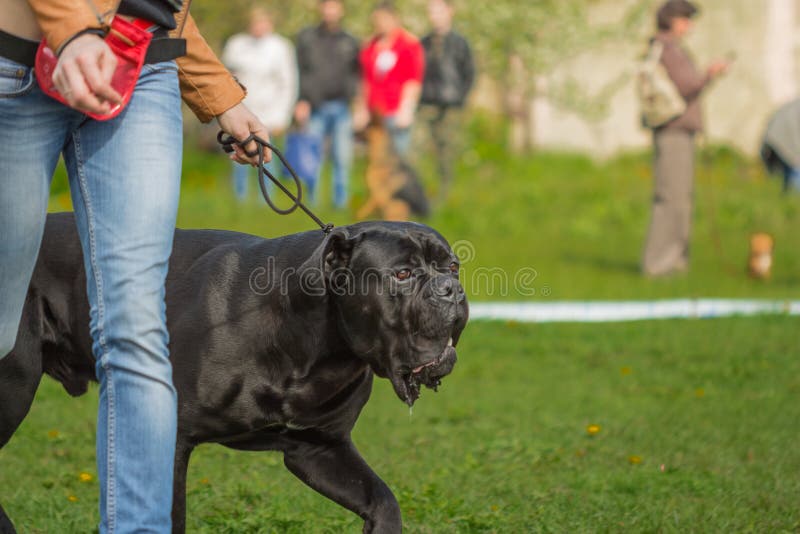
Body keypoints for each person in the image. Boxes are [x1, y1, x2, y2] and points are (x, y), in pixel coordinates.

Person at [0, 0, 271, 532]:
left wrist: (219, 95)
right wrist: (73, 31)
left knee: (137, 327)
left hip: (140, 75)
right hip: (19, 68)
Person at [641, 0, 729, 277]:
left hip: (679, 132)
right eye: (686, 19)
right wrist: (710, 75)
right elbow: (688, 85)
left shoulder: (672, 49)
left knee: (680, 198)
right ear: (673, 20)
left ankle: (675, 261)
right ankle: (658, 264)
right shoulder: (668, 50)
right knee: (671, 198)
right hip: (673, 131)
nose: (689, 25)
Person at [222, 7, 297, 202]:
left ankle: (266, 199)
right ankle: (240, 199)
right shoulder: (237, 44)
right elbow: (226, 76)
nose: (258, 27)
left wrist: (283, 115)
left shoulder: (281, 47)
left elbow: (288, 83)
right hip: (240, 108)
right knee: (238, 153)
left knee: (265, 155)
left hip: (269, 112)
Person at [294, 0, 361, 209]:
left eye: (334, 6)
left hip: (341, 107)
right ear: (320, 8)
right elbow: (299, 72)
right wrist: (301, 101)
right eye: (326, 6)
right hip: (315, 107)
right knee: (313, 158)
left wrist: (357, 104)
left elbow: (356, 75)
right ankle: (312, 204)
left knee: (342, 158)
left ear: (341, 10)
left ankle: (340, 204)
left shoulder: (350, 41)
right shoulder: (307, 38)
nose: (330, 11)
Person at [418, 0, 474, 200]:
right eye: (431, 12)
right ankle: (423, 196)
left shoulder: (460, 43)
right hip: (426, 105)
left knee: (446, 153)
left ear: (450, 12)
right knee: (420, 153)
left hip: (450, 106)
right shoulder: (424, 43)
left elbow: (469, 75)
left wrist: (459, 98)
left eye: (439, 11)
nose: (435, 16)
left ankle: (445, 195)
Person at [356, 1, 425, 157]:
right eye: (377, 20)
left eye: (384, 19)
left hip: (396, 113)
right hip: (375, 115)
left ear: (394, 18)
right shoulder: (370, 46)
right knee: (376, 160)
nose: (381, 24)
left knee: (397, 161)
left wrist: (406, 108)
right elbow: (365, 80)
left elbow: (413, 80)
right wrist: (361, 109)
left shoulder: (408, 44)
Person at [761, 98, 800, 194]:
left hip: (782, 141)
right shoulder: (795, 110)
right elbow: (794, 132)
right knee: (794, 176)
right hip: (780, 142)